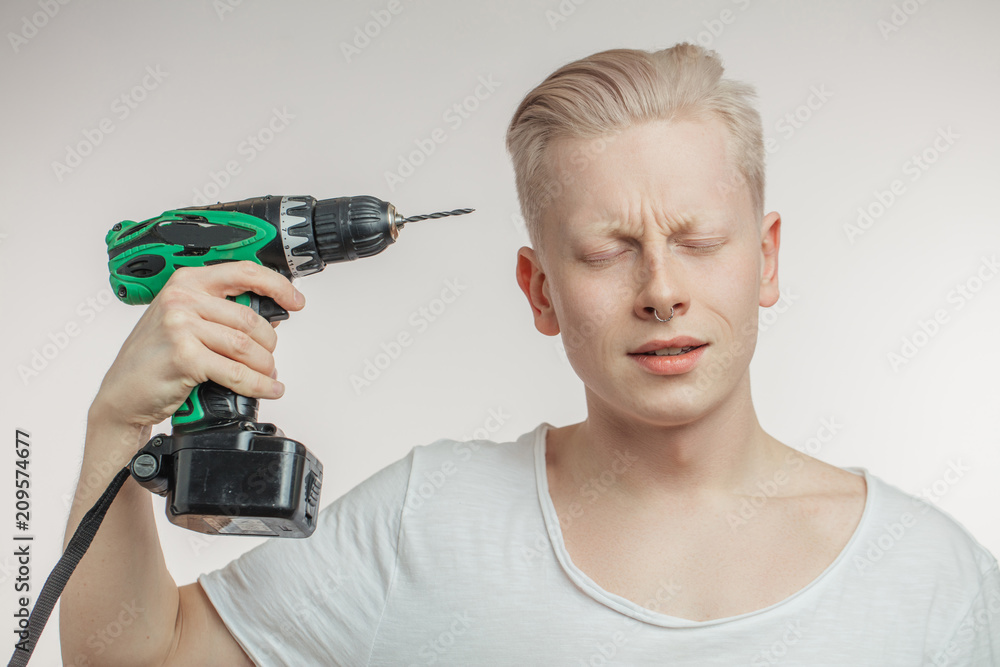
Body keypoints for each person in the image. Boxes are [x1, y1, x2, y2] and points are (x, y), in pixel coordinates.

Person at [60, 43, 998, 666]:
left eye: (699, 238)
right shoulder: (429, 520)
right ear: (540, 290)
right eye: (605, 249)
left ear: (769, 259)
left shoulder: (931, 578)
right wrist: (118, 424)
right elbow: (137, 659)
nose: (660, 286)